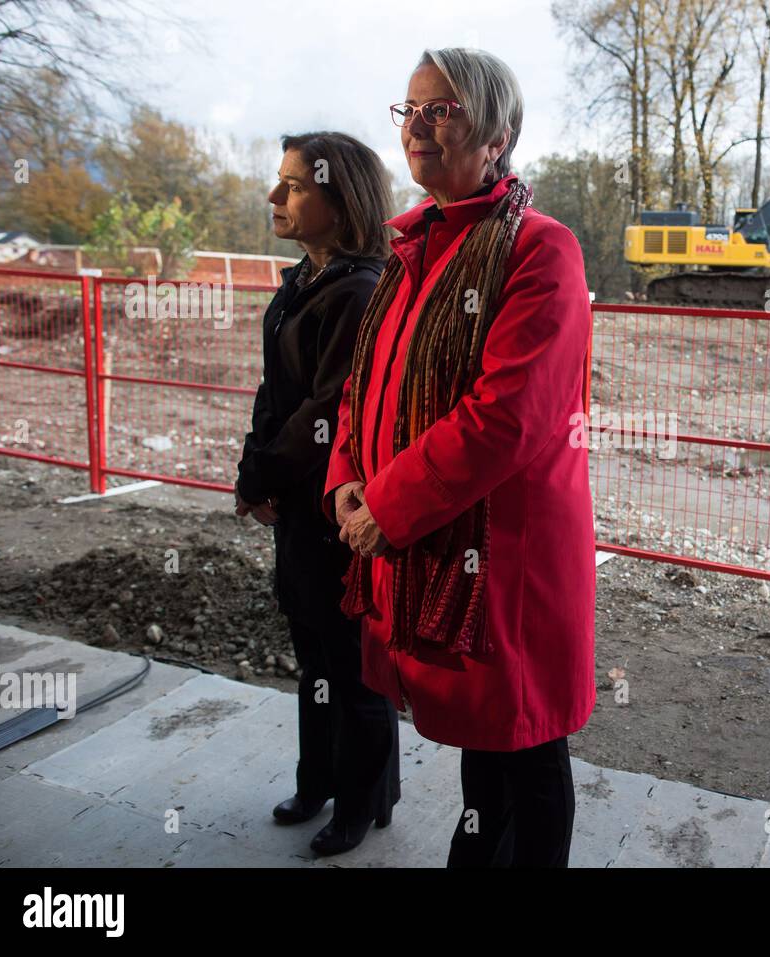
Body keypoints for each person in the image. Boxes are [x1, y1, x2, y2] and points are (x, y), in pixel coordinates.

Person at [324, 47, 596, 867]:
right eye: (410, 109)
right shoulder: (414, 248)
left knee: (524, 741)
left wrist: (389, 509)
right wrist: (343, 480)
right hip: (427, 531)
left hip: (507, 562)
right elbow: (364, 384)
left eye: (442, 110)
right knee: (488, 749)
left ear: (498, 134)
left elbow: (503, 418)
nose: (419, 126)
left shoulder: (542, 251)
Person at [235, 131, 401, 857]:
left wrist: (267, 472)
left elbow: (328, 410)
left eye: (295, 185)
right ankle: (320, 779)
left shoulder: (360, 290)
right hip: (294, 505)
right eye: (280, 182)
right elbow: (276, 393)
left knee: (350, 658)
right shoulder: (302, 280)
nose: (276, 197)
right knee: (313, 649)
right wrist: (254, 465)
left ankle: (363, 801)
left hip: (335, 505)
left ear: (342, 200)